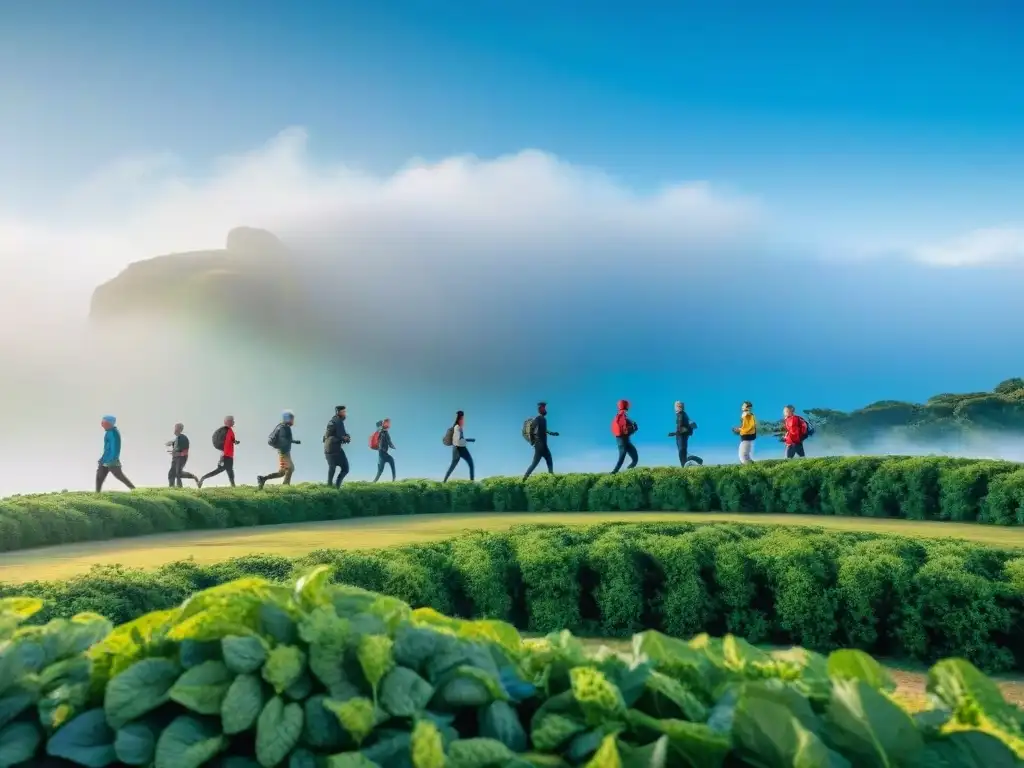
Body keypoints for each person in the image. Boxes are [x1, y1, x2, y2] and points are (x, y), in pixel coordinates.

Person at [258, 410, 301, 490]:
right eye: (291, 418)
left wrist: (294, 441)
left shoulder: (282, 426)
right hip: (284, 453)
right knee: (290, 468)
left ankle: (263, 479)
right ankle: (285, 486)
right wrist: (289, 442)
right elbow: (283, 440)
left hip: (284, 452)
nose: (293, 421)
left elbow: (285, 439)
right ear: (287, 418)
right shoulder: (284, 427)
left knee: (281, 473)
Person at [96, 415, 135, 492]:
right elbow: (107, 449)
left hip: (111, 462)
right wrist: (102, 459)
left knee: (120, 476)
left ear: (109, 423)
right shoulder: (109, 432)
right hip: (107, 461)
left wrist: (108, 460)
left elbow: (114, 449)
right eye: (102, 422)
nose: (101, 424)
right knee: (100, 477)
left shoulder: (113, 433)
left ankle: (134, 490)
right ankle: (97, 493)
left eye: (103, 422)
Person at [199, 416, 239, 488]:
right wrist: (222, 457)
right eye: (232, 420)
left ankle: (233, 486)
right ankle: (203, 478)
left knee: (230, 471)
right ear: (227, 422)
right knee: (218, 471)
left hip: (230, 455)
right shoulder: (224, 431)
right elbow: (222, 444)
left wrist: (235, 441)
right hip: (225, 456)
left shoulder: (230, 431)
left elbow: (231, 440)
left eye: (233, 420)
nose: (233, 422)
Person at [524, 401, 559, 480]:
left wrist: (552, 433)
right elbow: (532, 429)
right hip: (540, 445)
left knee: (545, 460)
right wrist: (533, 441)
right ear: (540, 409)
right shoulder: (538, 418)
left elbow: (544, 430)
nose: (545, 409)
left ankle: (551, 476)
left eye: (545, 408)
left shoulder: (543, 419)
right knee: (538, 462)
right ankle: (524, 479)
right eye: (544, 408)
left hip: (543, 445)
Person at [668, 401, 703, 467]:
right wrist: (676, 433)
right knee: (683, 452)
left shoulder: (681, 415)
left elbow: (682, 427)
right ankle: (696, 461)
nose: (675, 408)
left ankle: (696, 462)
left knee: (682, 453)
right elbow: (687, 426)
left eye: (676, 406)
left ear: (678, 407)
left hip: (681, 436)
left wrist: (675, 433)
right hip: (682, 436)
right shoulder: (684, 415)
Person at [443, 411, 475, 482]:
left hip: (457, 449)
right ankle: (472, 482)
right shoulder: (457, 427)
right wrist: (469, 440)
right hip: (459, 448)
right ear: (460, 419)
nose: (463, 421)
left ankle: (444, 481)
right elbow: (457, 441)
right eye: (463, 419)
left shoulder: (458, 427)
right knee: (470, 463)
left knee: (453, 466)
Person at [323, 405, 351, 487]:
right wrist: (347, 438)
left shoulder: (332, 421)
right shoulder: (339, 421)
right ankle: (337, 486)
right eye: (343, 412)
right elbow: (341, 436)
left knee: (332, 468)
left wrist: (345, 436)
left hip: (327, 449)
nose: (345, 414)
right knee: (345, 468)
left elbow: (328, 435)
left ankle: (329, 486)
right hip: (335, 448)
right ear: (338, 412)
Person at [166, 423, 200, 488]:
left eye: (177, 428)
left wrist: (178, 454)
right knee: (171, 473)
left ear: (180, 430)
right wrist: (171, 445)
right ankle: (171, 487)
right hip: (175, 458)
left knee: (178, 473)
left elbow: (185, 451)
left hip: (182, 458)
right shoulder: (176, 439)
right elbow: (176, 447)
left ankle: (181, 486)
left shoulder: (184, 438)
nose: (175, 430)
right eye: (175, 428)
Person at [611, 399, 639, 473]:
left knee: (634, 459)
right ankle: (613, 473)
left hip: (624, 441)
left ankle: (627, 472)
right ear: (627, 406)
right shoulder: (622, 416)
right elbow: (625, 430)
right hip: (623, 441)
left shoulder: (618, 416)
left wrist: (632, 427)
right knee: (622, 458)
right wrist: (633, 428)